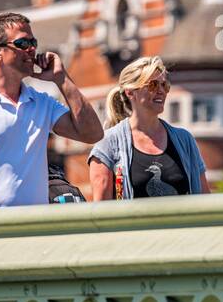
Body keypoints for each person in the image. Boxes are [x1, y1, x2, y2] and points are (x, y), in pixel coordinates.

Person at [0, 12, 103, 208]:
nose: (32, 49)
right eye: (23, 44)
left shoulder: (41, 102)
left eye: (33, 42)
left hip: (35, 228)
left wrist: (62, 79)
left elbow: (92, 133)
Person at [87, 56, 210, 200]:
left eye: (165, 85)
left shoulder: (184, 140)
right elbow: (101, 209)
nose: (161, 91)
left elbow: (204, 199)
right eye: (153, 85)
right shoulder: (108, 143)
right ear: (130, 92)